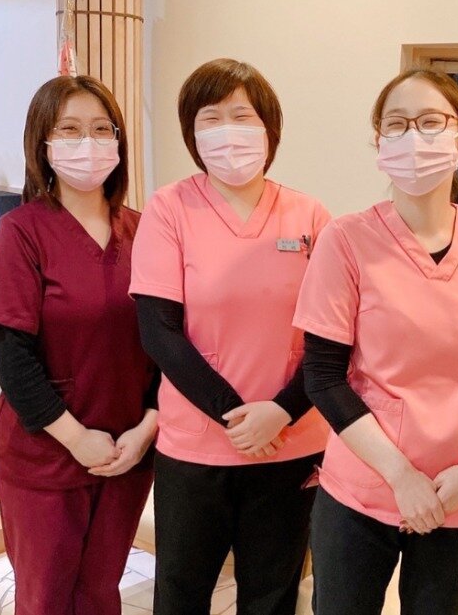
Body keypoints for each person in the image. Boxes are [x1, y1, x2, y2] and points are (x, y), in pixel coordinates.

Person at [293, 68, 458, 615]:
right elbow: (322, 376)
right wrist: (400, 476)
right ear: (379, 143)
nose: (413, 137)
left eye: (430, 122)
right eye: (396, 125)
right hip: (363, 486)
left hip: (457, 489)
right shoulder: (346, 240)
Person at [129, 58, 331, 615]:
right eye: (210, 119)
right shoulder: (170, 209)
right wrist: (236, 418)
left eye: (241, 116)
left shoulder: (311, 215)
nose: (227, 132)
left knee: (272, 595)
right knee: (181, 593)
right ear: (192, 134)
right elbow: (159, 333)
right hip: (196, 445)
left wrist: (282, 413)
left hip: (292, 443)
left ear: (269, 127)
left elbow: (332, 336)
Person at [0, 75, 159, 615]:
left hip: (127, 450)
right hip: (47, 453)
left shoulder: (146, 232)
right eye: (71, 130)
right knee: (46, 600)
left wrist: (146, 430)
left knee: (101, 594)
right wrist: (77, 439)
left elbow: (167, 342)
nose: (89, 143)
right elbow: (14, 360)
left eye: (102, 129)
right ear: (44, 144)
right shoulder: (23, 231)